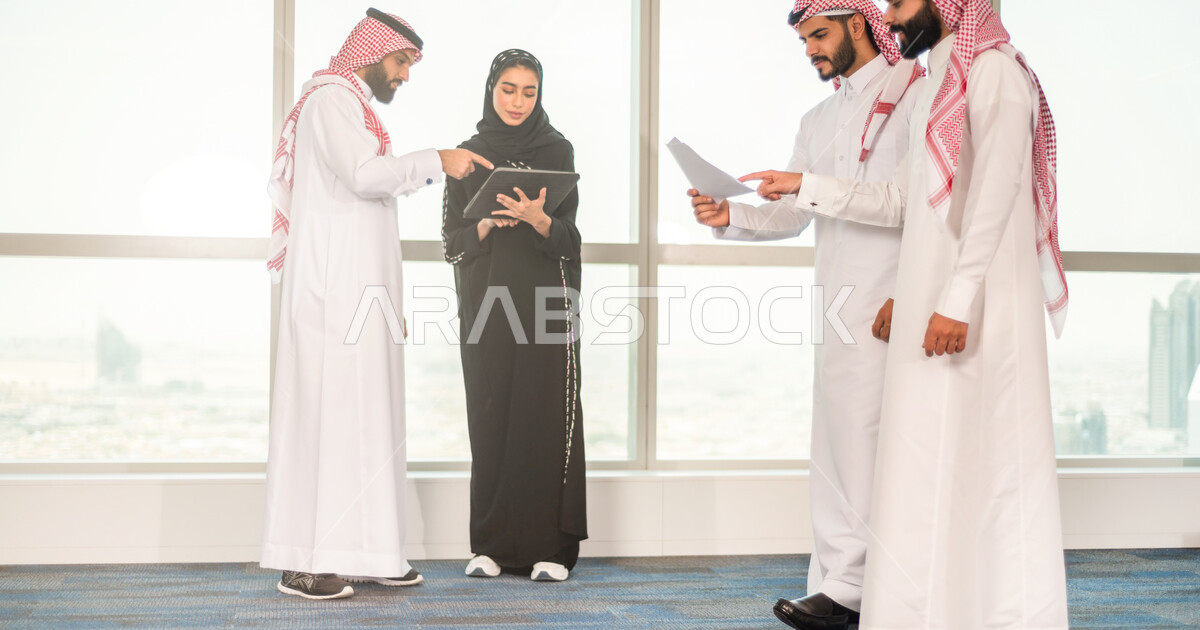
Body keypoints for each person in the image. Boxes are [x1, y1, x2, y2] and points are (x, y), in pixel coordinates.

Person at [743, 0, 1070, 627]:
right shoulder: (941, 80)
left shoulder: (992, 70)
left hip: (961, 308)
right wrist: (794, 189)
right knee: (916, 461)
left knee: (987, 464)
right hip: (921, 303)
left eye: (897, 3)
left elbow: (996, 193)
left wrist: (951, 299)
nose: (891, 15)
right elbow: (905, 201)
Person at [691, 2, 922, 628]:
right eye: (804, 43)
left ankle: (859, 590)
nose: (813, 50)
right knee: (836, 446)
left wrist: (914, 292)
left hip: (893, 301)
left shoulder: (917, 92)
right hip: (839, 307)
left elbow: (909, 207)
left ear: (857, 25)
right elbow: (797, 215)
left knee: (872, 447)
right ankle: (839, 584)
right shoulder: (817, 118)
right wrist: (731, 215)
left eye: (819, 35)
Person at [261, 8, 493, 600]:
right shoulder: (331, 101)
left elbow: (367, 191)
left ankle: (368, 551)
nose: (405, 77)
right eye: (401, 63)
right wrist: (436, 160)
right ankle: (304, 560)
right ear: (370, 52)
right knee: (329, 420)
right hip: (331, 295)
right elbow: (365, 177)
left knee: (369, 419)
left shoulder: (350, 104)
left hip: (359, 296)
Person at [441, 49, 587, 583]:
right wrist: (485, 224)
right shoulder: (466, 154)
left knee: (544, 416)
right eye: (508, 89)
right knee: (491, 415)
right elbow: (452, 246)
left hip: (547, 303)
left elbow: (571, 240)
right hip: (487, 306)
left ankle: (553, 549)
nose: (518, 101)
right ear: (491, 89)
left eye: (529, 91)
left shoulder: (557, 148)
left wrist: (539, 219)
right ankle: (491, 545)